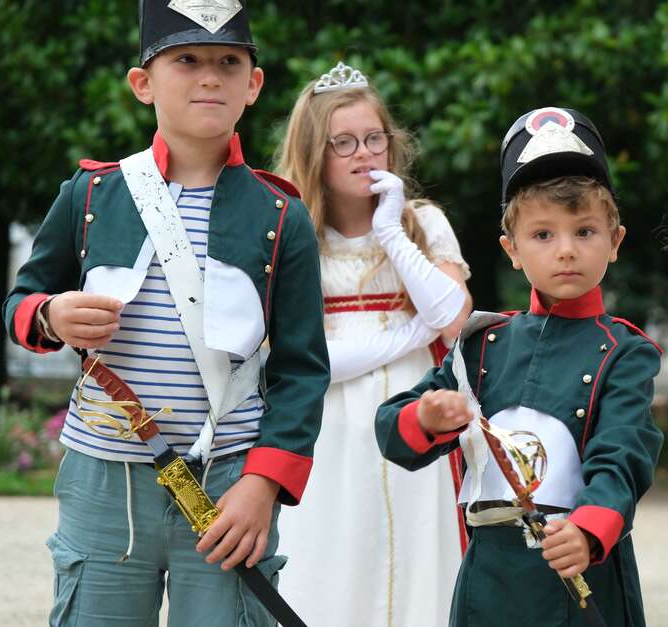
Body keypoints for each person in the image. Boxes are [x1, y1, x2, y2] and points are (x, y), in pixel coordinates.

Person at [1, 2, 328, 624]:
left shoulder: (281, 217)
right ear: (143, 83)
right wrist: (51, 314)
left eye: (229, 62)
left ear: (253, 85)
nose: (209, 77)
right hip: (102, 475)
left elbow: (303, 368)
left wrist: (263, 485)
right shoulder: (92, 194)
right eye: (186, 60)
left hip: (230, 481)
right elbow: (21, 301)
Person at [375, 107, 663, 626]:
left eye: (585, 231)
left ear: (615, 241)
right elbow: (394, 431)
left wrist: (589, 531)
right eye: (544, 235)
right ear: (511, 249)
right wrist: (426, 417)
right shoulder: (482, 343)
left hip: (578, 567)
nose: (567, 251)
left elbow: (623, 457)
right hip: (489, 577)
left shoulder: (624, 352)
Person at [271, 61, 471, 626]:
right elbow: (298, 359)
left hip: (415, 422)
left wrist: (390, 230)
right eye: (344, 143)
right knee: (338, 559)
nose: (364, 153)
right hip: (326, 426)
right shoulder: (292, 231)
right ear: (315, 152)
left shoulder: (422, 223)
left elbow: (454, 318)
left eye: (374, 139)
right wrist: (406, 335)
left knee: (418, 560)